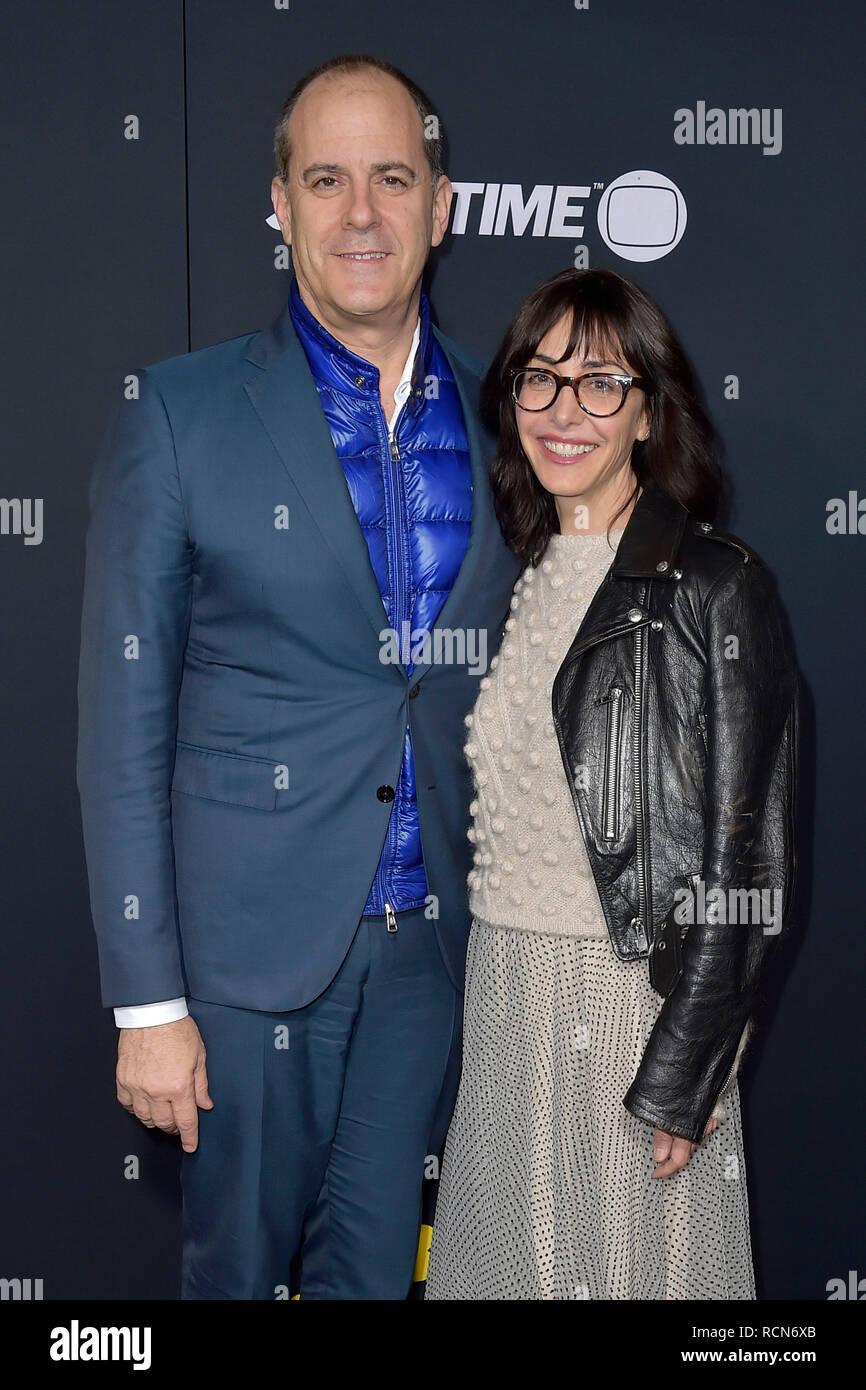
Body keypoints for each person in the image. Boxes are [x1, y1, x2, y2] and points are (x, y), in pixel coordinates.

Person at [76, 53, 520, 1300]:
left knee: (378, 1276)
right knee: (230, 1281)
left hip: (433, 953)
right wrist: (144, 1001)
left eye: (393, 177)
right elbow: (123, 727)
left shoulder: (514, 421)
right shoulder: (180, 412)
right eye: (325, 180)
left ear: (443, 204)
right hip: (239, 963)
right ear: (279, 206)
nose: (361, 214)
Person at [424, 266, 799, 1300]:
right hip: (505, 996)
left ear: (645, 410)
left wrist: (688, 1065)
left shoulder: (716, 585)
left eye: (599, 382)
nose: (562, 410)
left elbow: (746, 855)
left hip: (634, 1003)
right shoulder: (515, 573)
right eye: (538, 381)